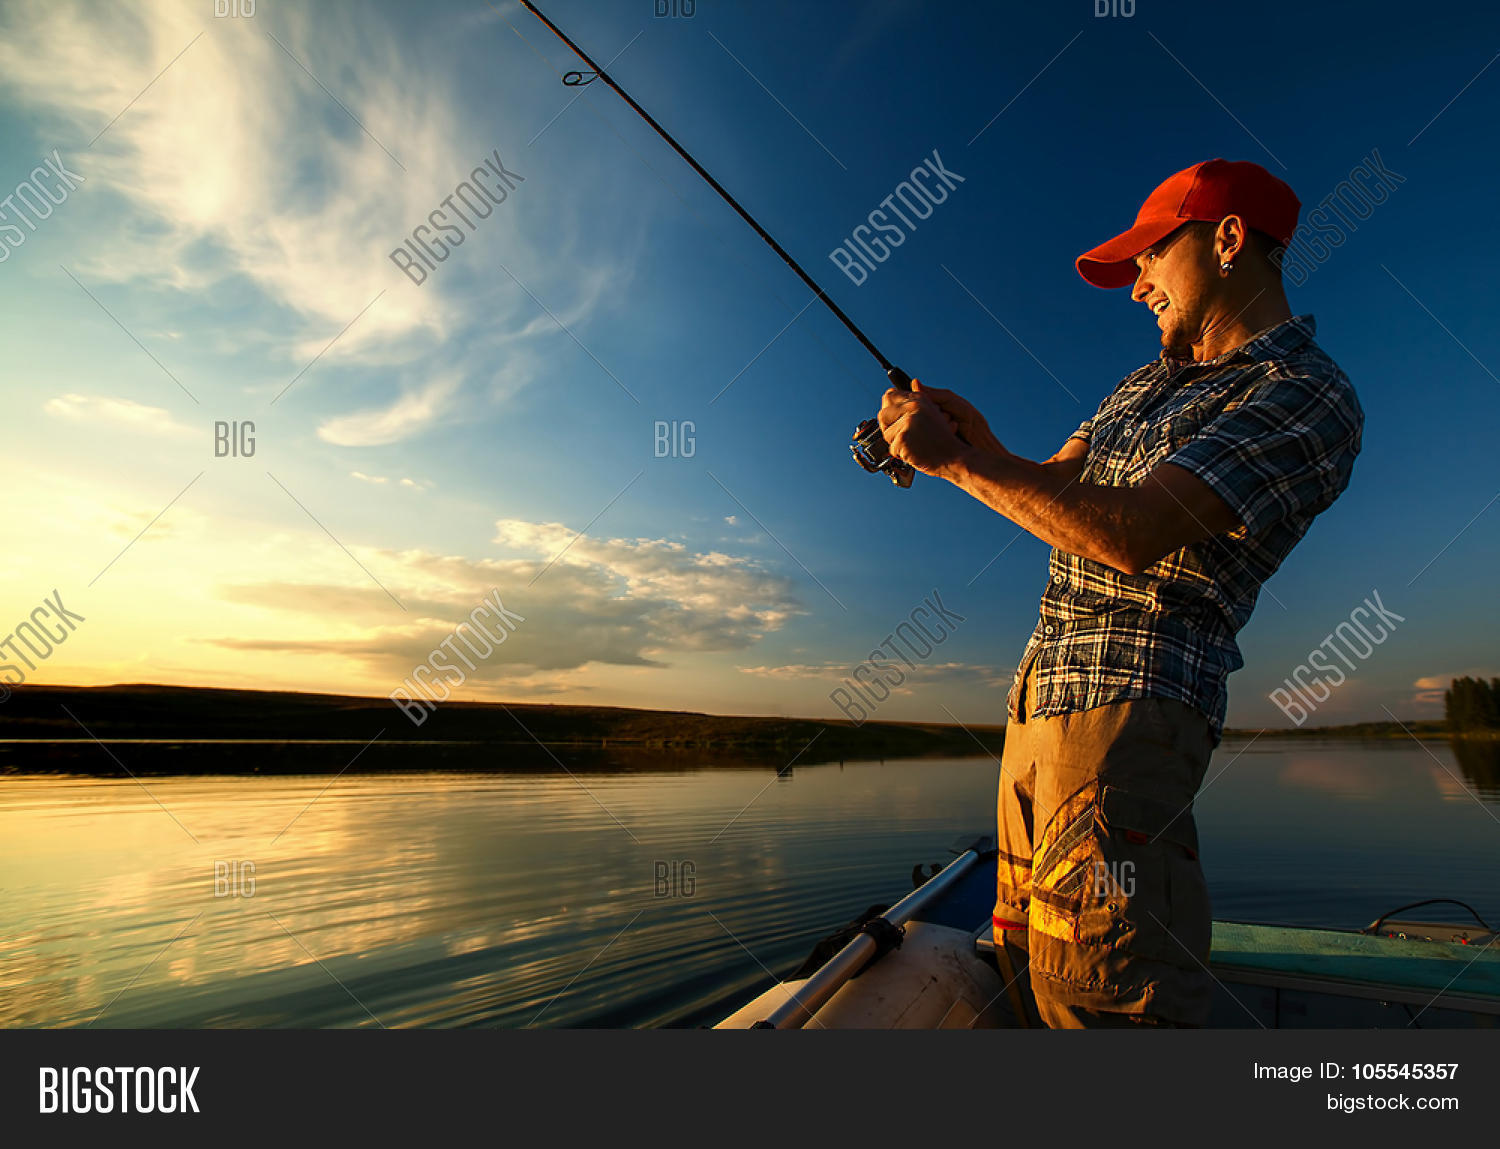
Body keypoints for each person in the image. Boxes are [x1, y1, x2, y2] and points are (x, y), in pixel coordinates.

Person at [877, 158, 1364, 1028]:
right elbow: (1053, 486)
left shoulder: (1304, 392)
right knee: (1028, 977)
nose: (1135, 285)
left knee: (1104, 1001)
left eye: (1148, 257)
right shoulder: (1140, 385)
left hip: (1122, 731)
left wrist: (957, 461)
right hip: (1034, 717)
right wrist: (977, 441)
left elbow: (1132, 531)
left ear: (1227, 240)